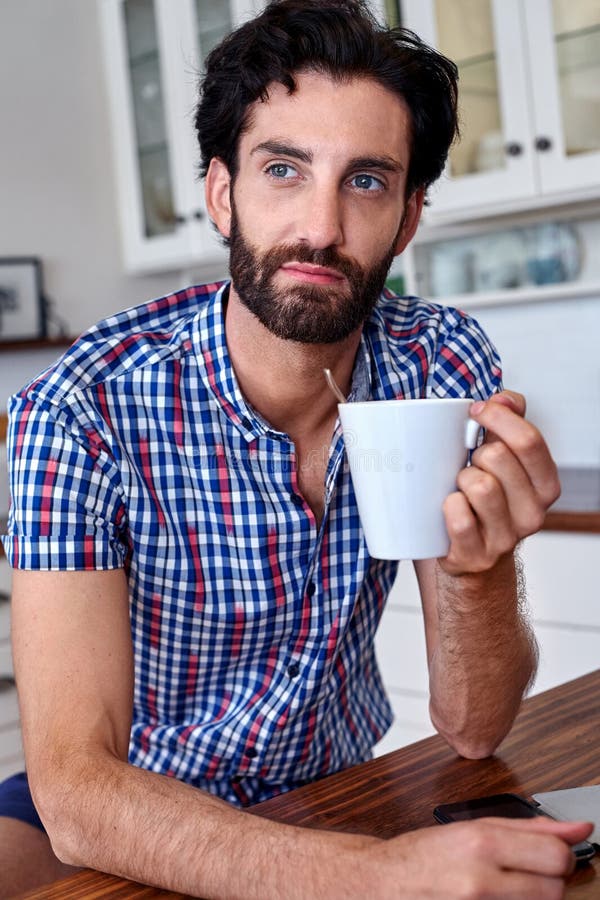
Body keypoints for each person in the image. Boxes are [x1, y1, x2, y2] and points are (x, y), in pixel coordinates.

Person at [0, 1, 592, 897]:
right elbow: (78, 795)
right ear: (220, 191)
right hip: (135, 807)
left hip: (338, 794)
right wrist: (378, 877)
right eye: (283, 169)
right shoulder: (80, 412)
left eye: (365, 181)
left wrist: (480, 569)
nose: (320, 227)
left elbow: (473, 729)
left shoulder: (440, 363)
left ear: (407, 217)